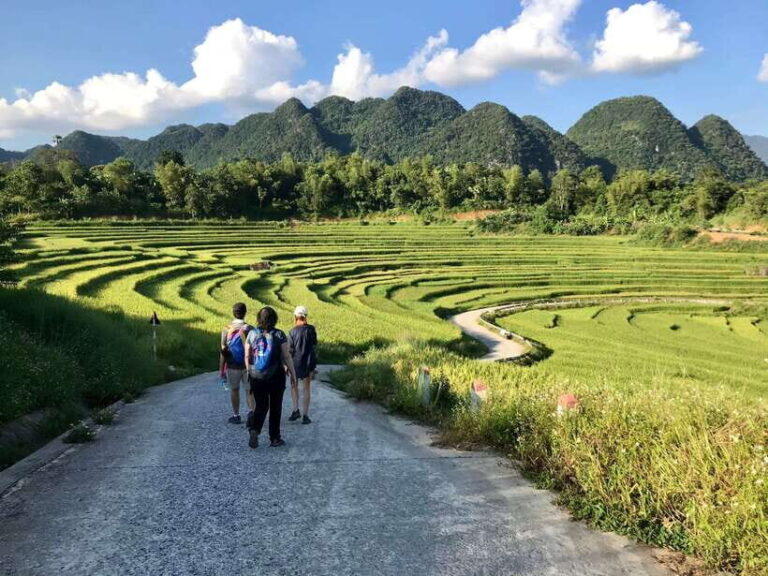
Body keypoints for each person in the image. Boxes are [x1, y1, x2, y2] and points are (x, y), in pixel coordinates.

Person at [245, 306, 297, 448]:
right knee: (275, 406)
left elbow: (247, 355)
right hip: (276, 375)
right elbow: (286, 356)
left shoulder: (252, 334)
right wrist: (293, 374)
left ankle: (255, 429)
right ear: (274, 318)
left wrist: (249, 371)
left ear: (259, 319)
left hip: (256, 375)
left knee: (261, 406)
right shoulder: (279, 335)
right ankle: (275, 438)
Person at [219, 302, 253, 424]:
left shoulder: (226, 329)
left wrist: (221, 370)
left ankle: (236, 415)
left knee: (234, 390)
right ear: (245, 313)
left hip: (232, 365)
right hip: (248, 364)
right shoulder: (249, 328)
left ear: (233, 313)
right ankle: (251, 413)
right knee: (249, 390)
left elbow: (223, 351)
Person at [288, 305, 318, 425]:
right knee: (306, 388)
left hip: (295, 363)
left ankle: (296, 410)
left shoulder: (292, 331)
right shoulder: (311, 329)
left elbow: (290, 350)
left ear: (295, 316)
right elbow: (314, 343)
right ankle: (305, 415)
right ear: (306, 316)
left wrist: (286, 365)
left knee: (294, 387)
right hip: (308, 362)